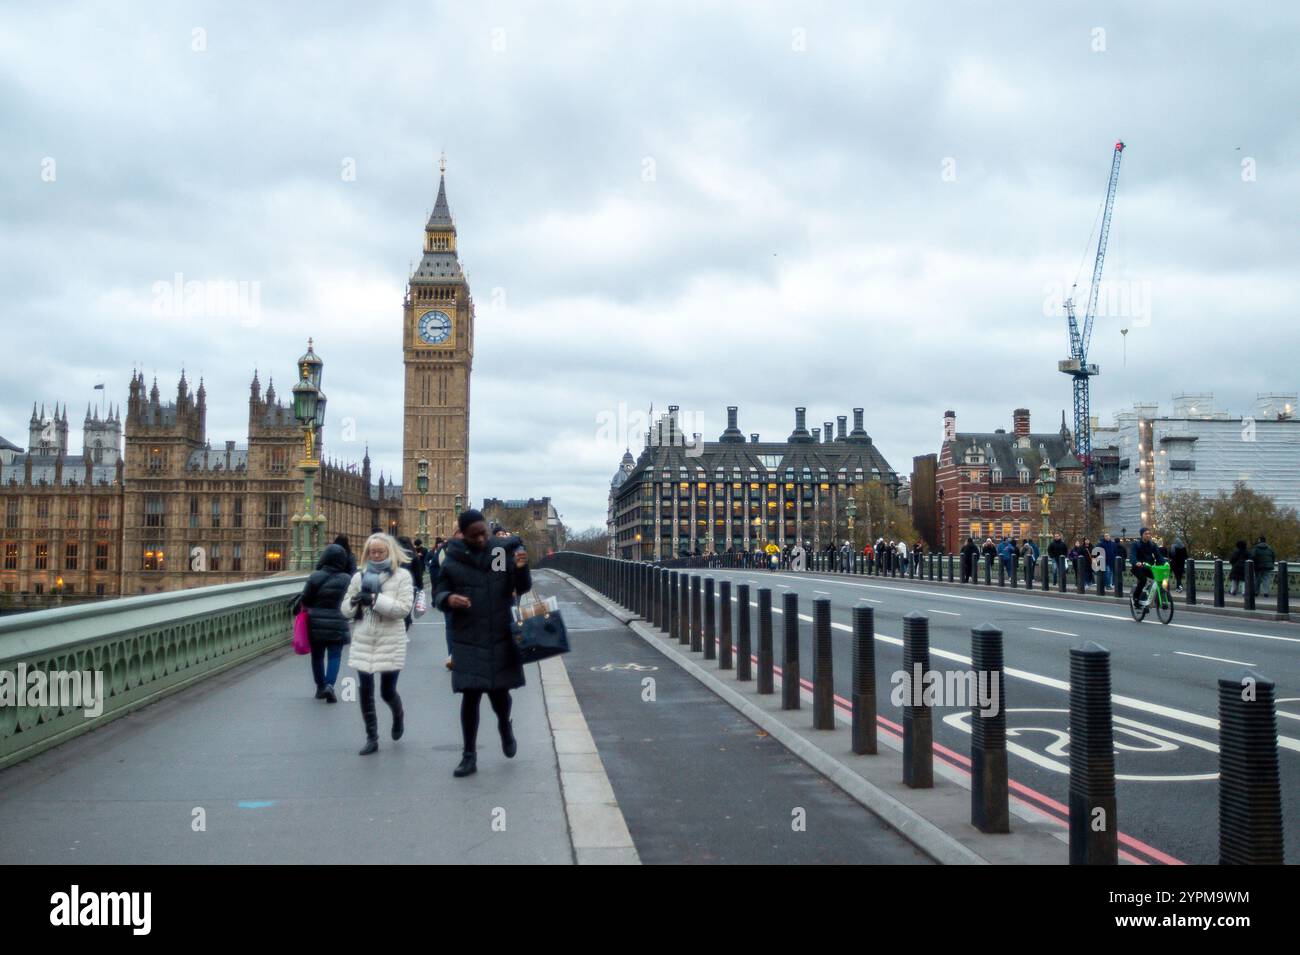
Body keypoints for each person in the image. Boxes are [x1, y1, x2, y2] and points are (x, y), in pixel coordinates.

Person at [434, 509, 533, 779]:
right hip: (468, 635)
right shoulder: (452, 559)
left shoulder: (499, 554)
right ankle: (469, 755)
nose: (481, 539)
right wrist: (449, 599)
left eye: (484, 533)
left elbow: (519, 587)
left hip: (499, 631)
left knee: (500, 695)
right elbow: (438, 593)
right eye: (474, 535)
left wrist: (522, 570)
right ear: (463, 535)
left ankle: (504, 726)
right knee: (471, 695)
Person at [343, 533, 415, 756]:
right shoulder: (359, 577)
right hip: (364, 637)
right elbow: (345, 610)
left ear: (390, 553)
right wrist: (354, 603)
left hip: (390, 638)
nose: (375, 555)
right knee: (365, 690)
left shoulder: (402, 576)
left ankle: (398, 713)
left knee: (386, 691)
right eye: (372, 552)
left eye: (380, 552)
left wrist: (375, 600)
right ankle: (371, 737)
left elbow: (403, 609)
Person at [298, 543, 353, 703]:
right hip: (338, 621)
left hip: (316, 623)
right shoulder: (347, 579)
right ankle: (330, 685)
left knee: (317, 656)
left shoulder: (315, 577)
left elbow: (306, 600)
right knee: (335, 655)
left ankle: (320, 687)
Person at [1130, 527, 1164, 606]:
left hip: (1149, 567)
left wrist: (1165, 563)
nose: (1148, 535)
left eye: (1149, 534)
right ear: (1141, 535)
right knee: (1143, 580)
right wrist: (1136, 562)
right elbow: (1132, 556)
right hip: (1138, 567)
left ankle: (1160, 598)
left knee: (1160, 579)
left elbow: (1158, 556)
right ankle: (1136, 598)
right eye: (1146, 534)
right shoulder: (1136, 544)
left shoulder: (1152, 544)